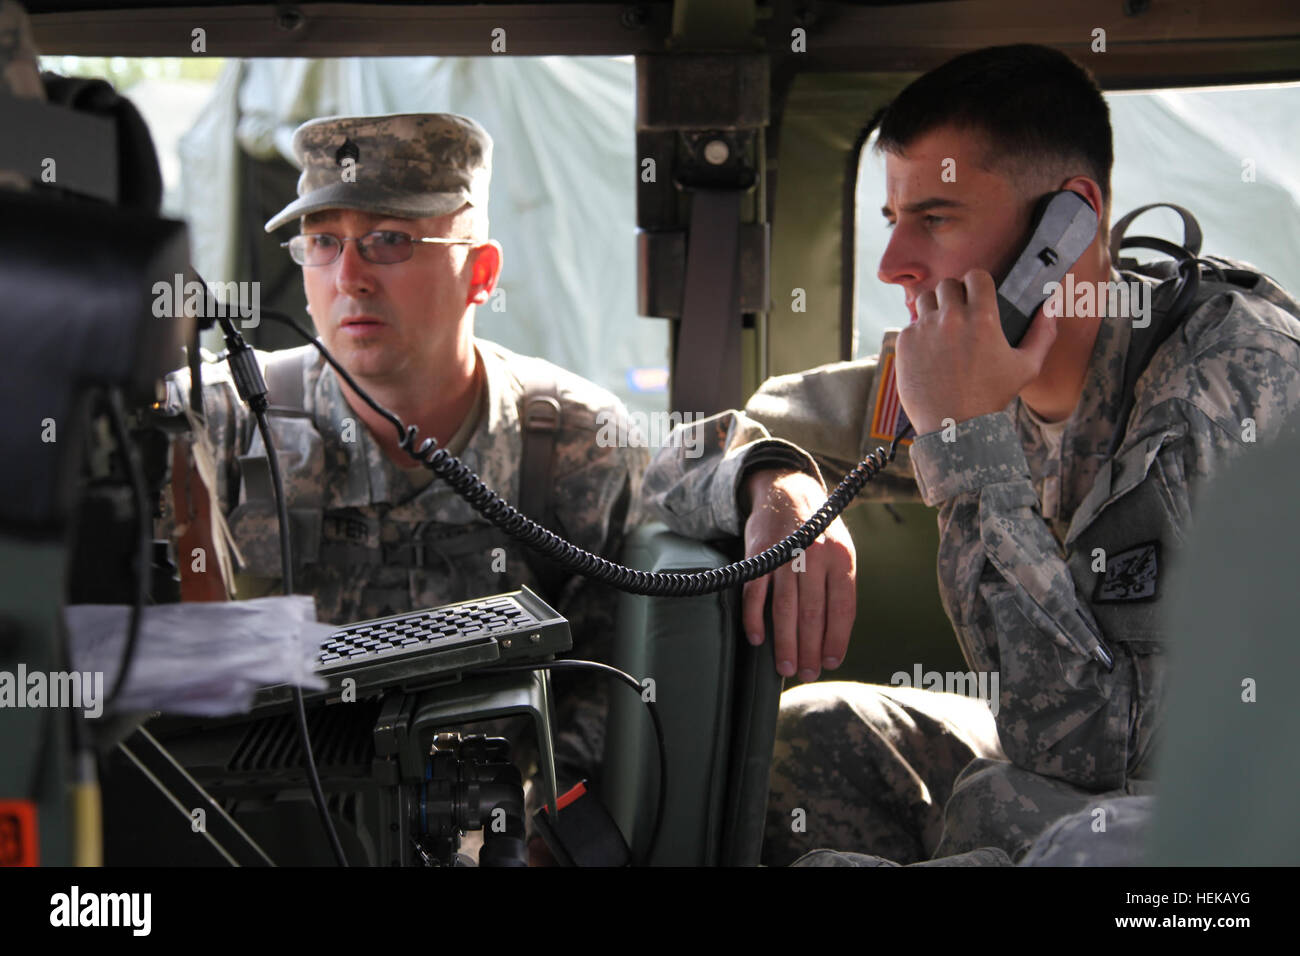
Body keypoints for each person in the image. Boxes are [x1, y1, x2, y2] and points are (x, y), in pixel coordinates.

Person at [643, 44, 1300, 865]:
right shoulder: (957, 363)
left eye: (937, 218)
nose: (892, 266)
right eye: (892, 220)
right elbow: (679, 455)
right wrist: (778, 482)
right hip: (1062, 782)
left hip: (1204, 823)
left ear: (1067, 224)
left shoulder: (1232, 388)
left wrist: (964, 437)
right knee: (816, 734)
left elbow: (1084, 750)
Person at [158, 113, 647, 835]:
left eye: (389, 240)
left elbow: (607, 688)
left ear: (480, 272)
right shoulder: (220, 422)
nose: (348, 277)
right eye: (323, 242)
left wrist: (772, 477)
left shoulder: (575, 442)